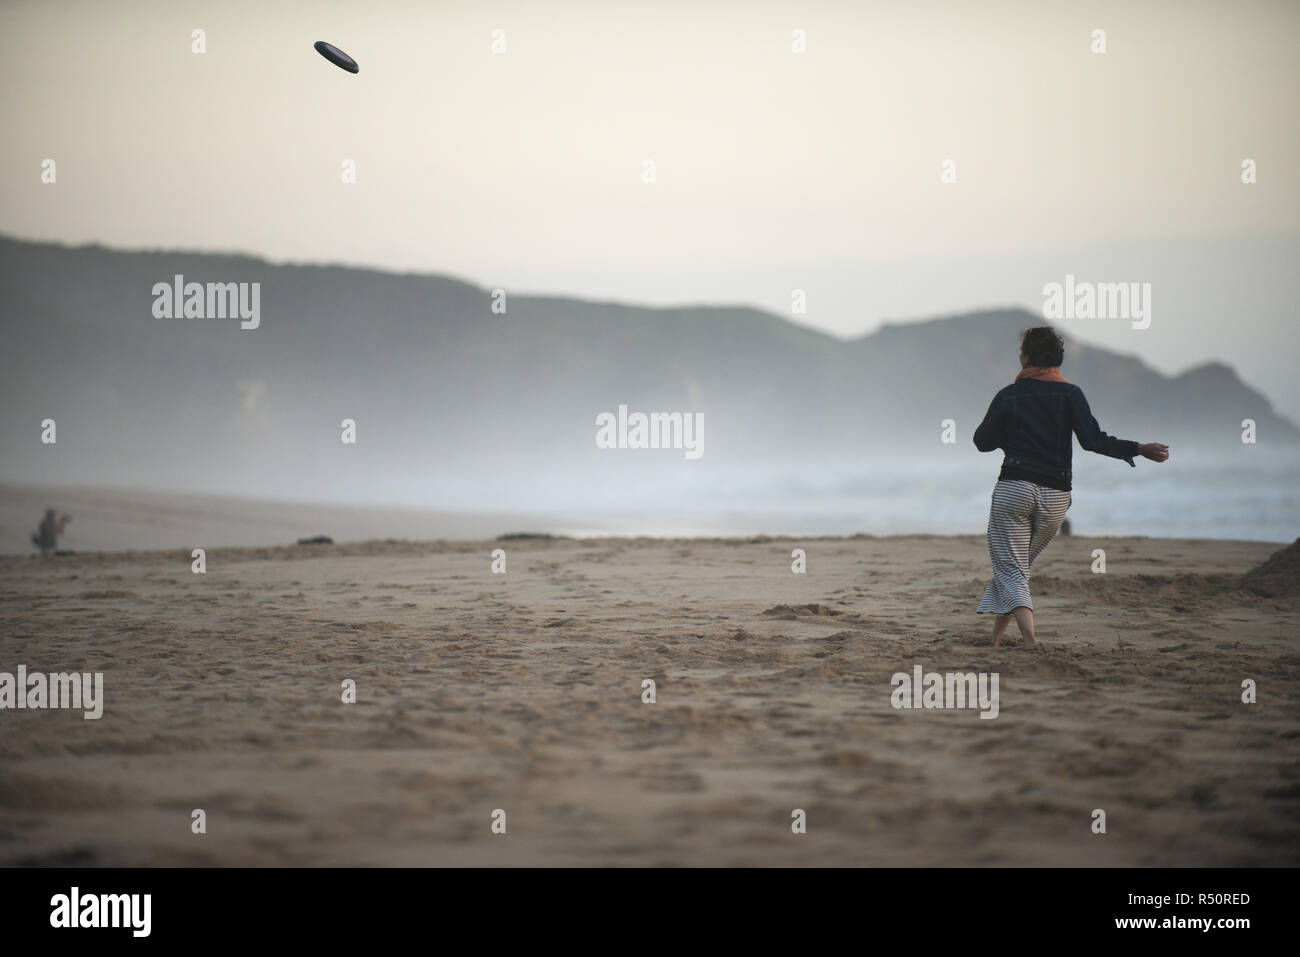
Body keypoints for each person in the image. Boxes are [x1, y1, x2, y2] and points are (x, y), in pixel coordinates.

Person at [972, 327, 1169, 648]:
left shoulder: (1009, 395)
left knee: (1011, 567)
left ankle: (1031, 640)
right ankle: (994, 639)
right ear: (1058, 360)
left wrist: (1009, 433)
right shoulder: (1071, 394)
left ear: (1024, 358)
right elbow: (1093, 441)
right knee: (1017, 567)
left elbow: (982, 442)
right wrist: (1138, 448)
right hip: (1056, 496)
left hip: (1015, 489)